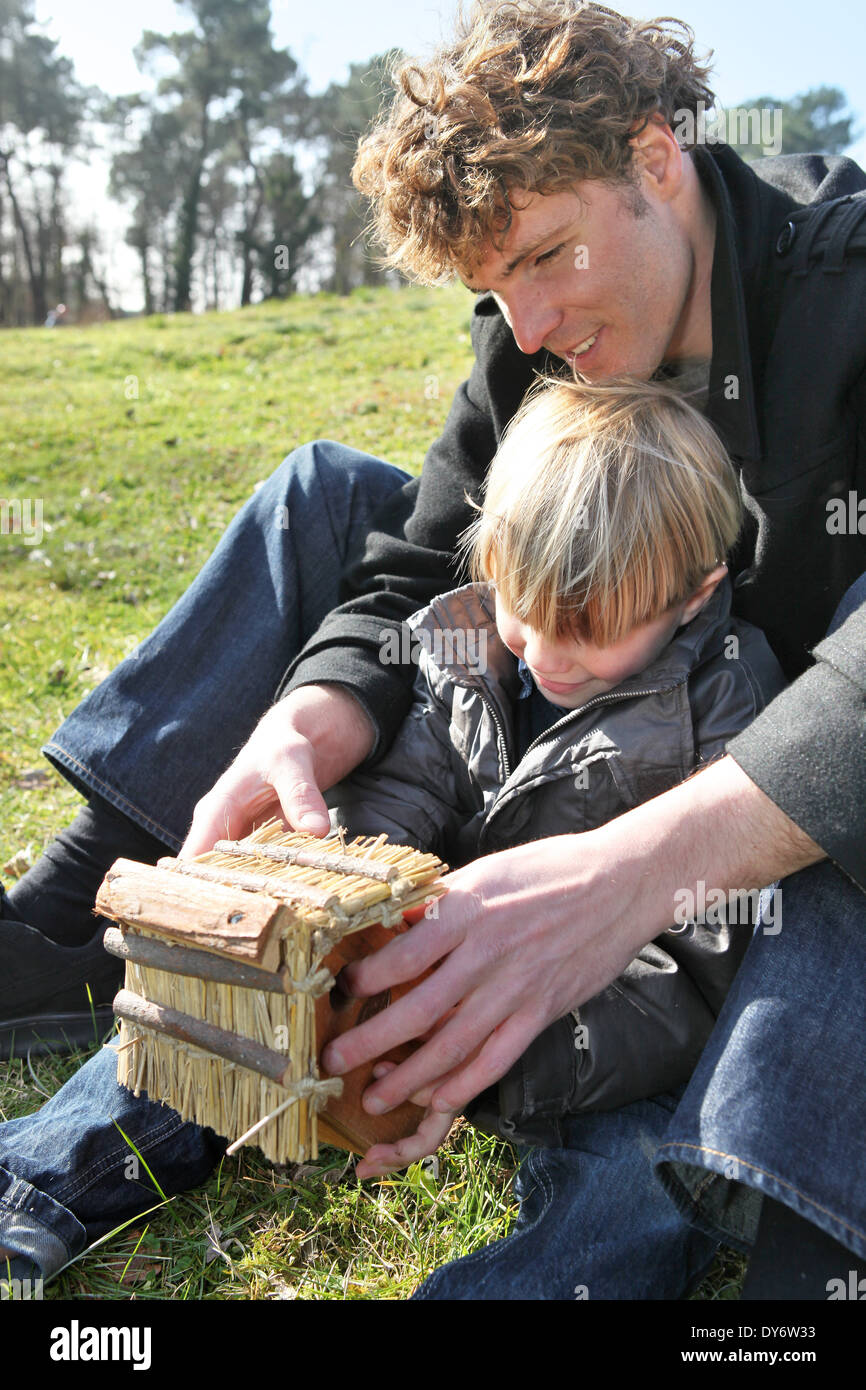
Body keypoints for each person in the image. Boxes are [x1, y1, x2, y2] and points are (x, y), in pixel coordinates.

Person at [2, 2, 865, 1295]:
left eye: (547, 256)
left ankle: (771, 1172)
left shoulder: (844, 282)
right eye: (490, 288)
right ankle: (76, 918)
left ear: (653, 153)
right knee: (324, 489)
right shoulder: (529, 331)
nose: (521, 329)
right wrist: (317, 710)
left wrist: (634, 871)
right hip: (531, 729)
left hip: (764, 764)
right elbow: (419, 552)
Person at [0, 374, 784, 1284]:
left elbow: (698, 974)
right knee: (213, 1018)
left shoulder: (727, 712)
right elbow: (402, 796)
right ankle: (31, 1183)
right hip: (416, 984)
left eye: (592, 631)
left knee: (646, 1184)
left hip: (588, 1055)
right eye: (522, 609)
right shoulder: (468, 650)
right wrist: (350, 951)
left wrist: (496, 1056)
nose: (548, 654)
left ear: (696, 596)